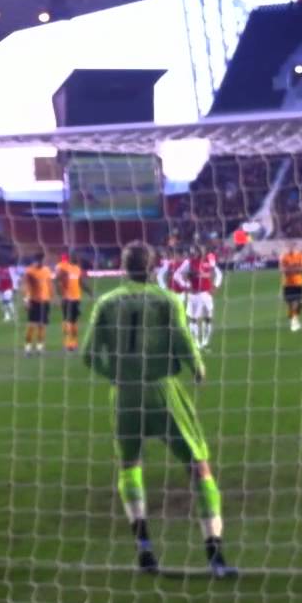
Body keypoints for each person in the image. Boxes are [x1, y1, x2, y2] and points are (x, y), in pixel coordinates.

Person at [81, 241, 236, 578]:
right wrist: (197, 368)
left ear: (123, 267)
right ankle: (215, 555)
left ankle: (145, 547)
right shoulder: (166, 299)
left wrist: (117, 376)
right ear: (154, 268)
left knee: (129, 465)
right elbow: (182, 340)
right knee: (199, 466)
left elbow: (88, 356)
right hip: (162, 391)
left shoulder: (107, 303)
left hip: (124, 397)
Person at [174, 248, 224, 349]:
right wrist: (186, 285)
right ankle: (196, 342)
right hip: (194, 295)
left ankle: (205, 342)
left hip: (206, 294)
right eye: (193, 252)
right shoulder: (189, 262)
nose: (195, 253)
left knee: (208, 318)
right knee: (193, 319)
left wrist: (215, 286)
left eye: (197, 251)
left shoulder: (209, 260)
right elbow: (176, 275)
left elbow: (218, 273)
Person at [55, 253, 91, 352]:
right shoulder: (65, 269)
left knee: (73, 321)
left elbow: (80, 282)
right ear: (70, 259)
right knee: (68, 320)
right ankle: (67, 344)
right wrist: (58, 296)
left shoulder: (77, 269)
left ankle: (73, 343)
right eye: (74, 258)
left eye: (76, 258)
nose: (76, 259)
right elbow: (57, 281)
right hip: (66, 298)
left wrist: (89, 291)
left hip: (76, 299)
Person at [21, 256, 53, 355]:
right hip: (34, 302)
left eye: (43, 261)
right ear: (35, 261)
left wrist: (52, 296)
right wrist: (26, 300)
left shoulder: (47, 270)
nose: (42, 263)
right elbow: (25, 285)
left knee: (42, 326)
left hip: (45, 301)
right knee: (31, 326)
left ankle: (39, 348)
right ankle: (27, 348)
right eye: (40, 261)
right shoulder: (29, 271)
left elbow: (49, 283)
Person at [279, 243, 302, 332]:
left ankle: (294, 319)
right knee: (290, 304)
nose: (290, 248)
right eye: (288, 247)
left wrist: (292, 269)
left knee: (301, 302)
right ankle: (294, 322)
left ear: (295, 247)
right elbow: (282, 270)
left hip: (298, 283)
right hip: (287, 284)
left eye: (292, 246)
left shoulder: (299, 255)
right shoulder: (284, 257)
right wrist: (294, 269)